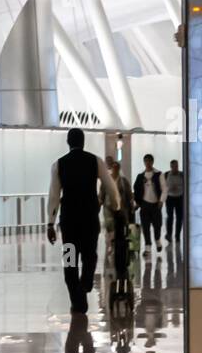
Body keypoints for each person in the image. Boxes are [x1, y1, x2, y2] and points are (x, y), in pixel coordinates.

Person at [47, 128, 119, 314]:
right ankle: (85, 285)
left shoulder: (59, 165)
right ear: (83, 141)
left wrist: (50, 223)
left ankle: (77, 301)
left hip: (69, 223)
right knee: (90, 255)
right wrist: (117, 206)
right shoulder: (95, 161)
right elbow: (110, 185)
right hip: (89, 221)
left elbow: (54, 196)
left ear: (68, 142)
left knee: (70, 261)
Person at [100, 158, 134, 280]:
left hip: (121, 212)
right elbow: (101, 196)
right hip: (109, 210)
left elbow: (130, 196)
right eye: (113, 167)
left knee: (121, 234)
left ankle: (119, 254)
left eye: (117, 167)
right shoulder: (106, 182)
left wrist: (131, 209)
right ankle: (111, 249)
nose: (115, 169)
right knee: (111, 231)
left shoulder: (124, 182)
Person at [133, 154, 165, 255]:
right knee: (145, 227)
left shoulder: (159, 174)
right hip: (144, 205)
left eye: (149, 161)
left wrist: (161, 200)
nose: (147, 163)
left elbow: (165, 189)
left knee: (157, 226)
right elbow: (136, 190)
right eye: (145, 161)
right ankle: (147, 247)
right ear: (144, 162)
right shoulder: (140, 176)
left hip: (156, 205)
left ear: (152, 162)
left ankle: (158, 241)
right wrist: (137, 203)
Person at [164, 159, 185, 245]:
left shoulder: (182, 175)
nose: (175, 168)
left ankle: (177, 236)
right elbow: (163, 187)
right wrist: (170, 189)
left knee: (179, 217)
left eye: (176, 166)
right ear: (171, 167)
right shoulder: (166, 175)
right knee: (170, 217)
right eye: (173, 166)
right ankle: (169, 235)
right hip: (170, 198)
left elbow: (186, 185)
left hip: (180, 197)